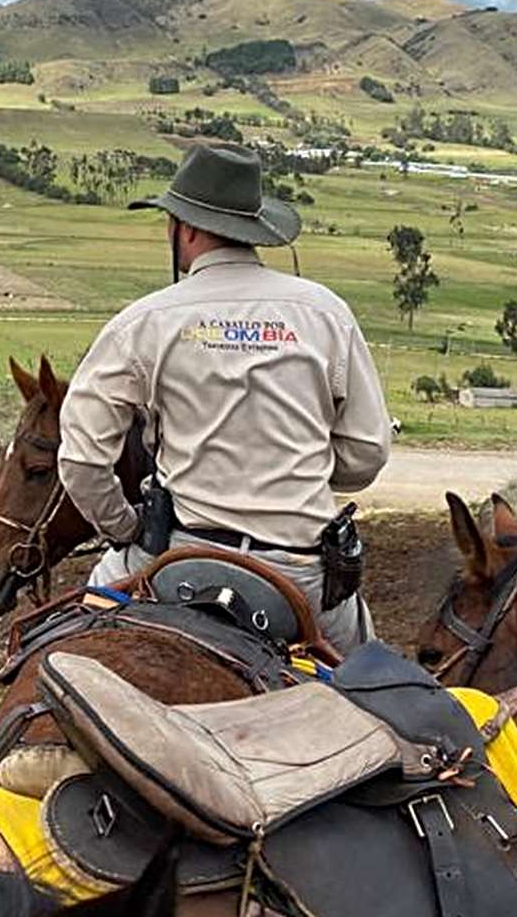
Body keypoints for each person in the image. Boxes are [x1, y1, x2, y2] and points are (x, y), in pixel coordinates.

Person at [57, 142, 391, 652]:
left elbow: (82, 461)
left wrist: (126, 528)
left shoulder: (143, 322)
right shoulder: (327, 314)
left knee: (71, 646)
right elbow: (367, 452)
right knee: (375, 685)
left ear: (184, 229)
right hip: (299, 573)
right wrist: (304, 471)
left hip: (180, 557)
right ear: (254, 230)